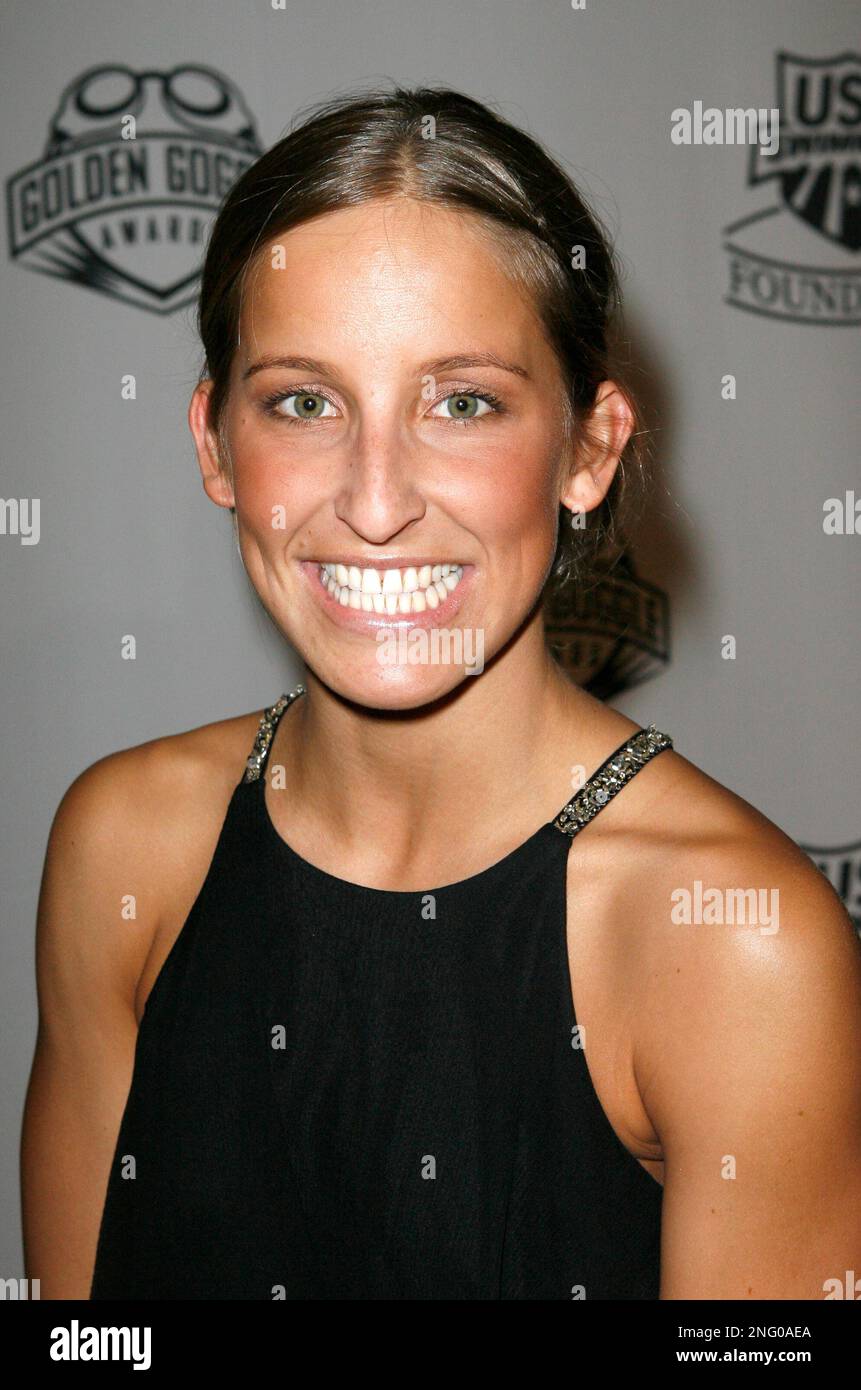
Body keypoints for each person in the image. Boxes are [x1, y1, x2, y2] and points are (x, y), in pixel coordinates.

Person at [21, 85, 861, 1301]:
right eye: (304, 402)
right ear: (214, 442)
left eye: (462, 402)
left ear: (590, 448)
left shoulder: (735, 946)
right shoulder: (122, 846)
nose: (375, 501)